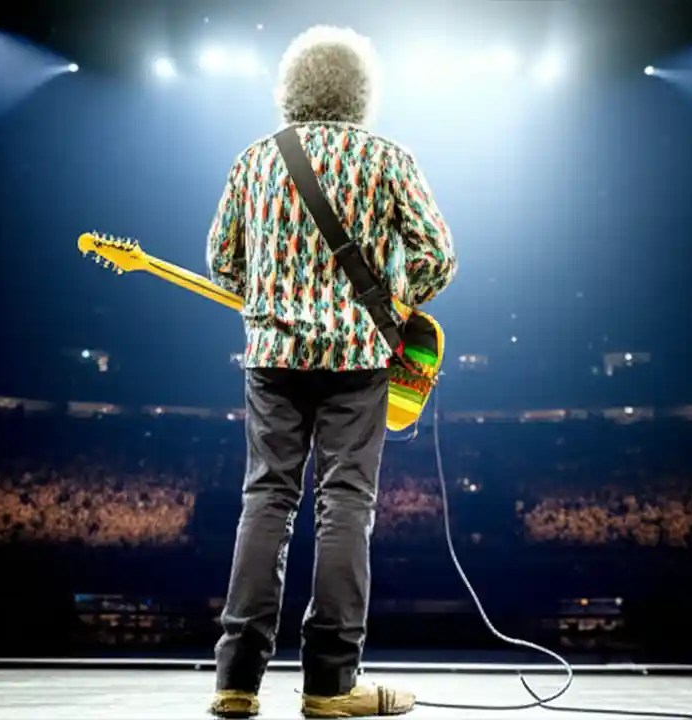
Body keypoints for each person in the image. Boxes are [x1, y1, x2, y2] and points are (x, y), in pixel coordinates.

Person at [205, 24, 457, 719]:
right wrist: (395, 296)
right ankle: (330, 684)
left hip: (273, 361)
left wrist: (275, 297)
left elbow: (222, 264)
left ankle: (235, 681)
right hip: (358, 360)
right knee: (346, 506)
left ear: (289, 90)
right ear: (362, 93)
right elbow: (439, 254)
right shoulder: (388, 158)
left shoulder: (254, 161)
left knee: (267, 502)